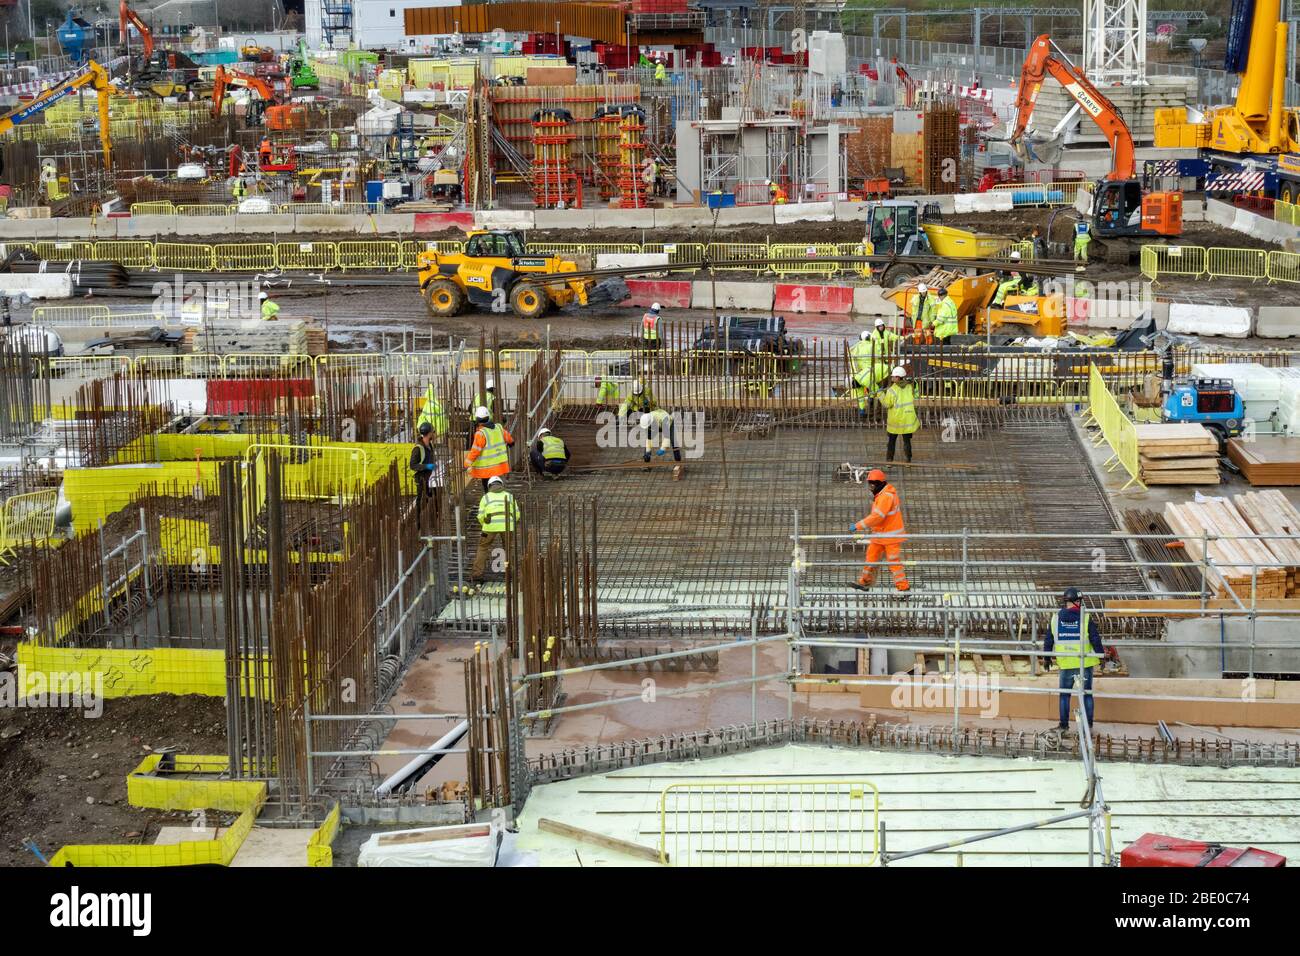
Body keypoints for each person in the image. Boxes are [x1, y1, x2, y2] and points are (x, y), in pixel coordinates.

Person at [1045, 587, 1103, 732]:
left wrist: (1046, 658)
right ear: (1076, 601)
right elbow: (1095, 639)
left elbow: (1048, 640)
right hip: (1084, 663)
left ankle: (1064, 725)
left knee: (1064, 695)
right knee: (1086, 694)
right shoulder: (1085, 617)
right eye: (1079, 601)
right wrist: (1101, 655)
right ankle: (1087, 725)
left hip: (1066, 663)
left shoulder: (1056, 618)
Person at [848, 468, 909, 593]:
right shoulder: (881, 494)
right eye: (869, 483)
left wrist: (858, 526)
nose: (871, 487)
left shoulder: (886, 496)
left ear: (880, 483)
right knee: (871, 558)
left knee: (894, 563)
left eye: (873, 484)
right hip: (880, 535)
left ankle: (904, 589)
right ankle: (865, 582)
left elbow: (877, 517)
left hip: (891, 537)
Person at [470, 475, 520, 583]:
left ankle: (477, 574)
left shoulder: (486, 497)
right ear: (501, 485)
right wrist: (511, 523)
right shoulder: (509, 496)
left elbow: (480, 515)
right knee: (508, 548)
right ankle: (510, 572)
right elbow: (517, 514)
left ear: (489, 486)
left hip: (490, 526)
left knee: (483, 547)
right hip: (507, 525)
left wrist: (485, 524)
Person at [464, 405, 514, 490]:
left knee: (488, 488)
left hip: (487, 470)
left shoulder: (480, 434)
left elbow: (475, 451)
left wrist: (466, 464)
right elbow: (510, 440)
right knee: (499, 486)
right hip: (500, 467)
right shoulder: (498, 428)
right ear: (488, 417)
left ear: (477, 420)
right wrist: (511, 442)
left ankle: (490, 500)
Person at [878, 365, 918, 463]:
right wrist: (914, 383)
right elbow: (916, 395)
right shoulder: (910, 387)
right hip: (907, 420)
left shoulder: (891, 390)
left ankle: (889, 460)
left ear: (898, 377)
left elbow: (887, 404)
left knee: (891, 441)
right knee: (907, 442)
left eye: (893, 377)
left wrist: (880, 394)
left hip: (895, 420)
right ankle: (908, 460)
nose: (891, 378)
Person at [409, 421, 444, 531]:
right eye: (432, 432)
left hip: (432, 479)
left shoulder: (430, 446)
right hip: (422, 480)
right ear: (429, 434)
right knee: (421, 501)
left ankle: (434, 522)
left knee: (434, 500)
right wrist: (426, 466)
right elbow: (412, 465)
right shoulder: (418, 448)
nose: (434, 434)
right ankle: (419, 525)